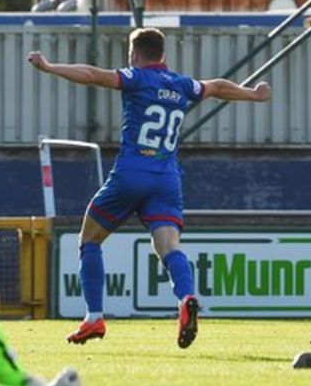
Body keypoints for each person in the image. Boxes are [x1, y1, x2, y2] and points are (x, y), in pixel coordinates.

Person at [27, 27, 272, 348]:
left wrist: (49, 66)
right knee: (170, 249)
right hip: (166, 180)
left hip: (130, 175)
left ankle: (93, 317)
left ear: (134, 54)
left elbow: (90, 74)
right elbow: (218, 87)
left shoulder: (136, 78)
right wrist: (252, 94)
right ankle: (186, 298)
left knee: (89, 240)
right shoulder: (183, 85)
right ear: (164, 55)